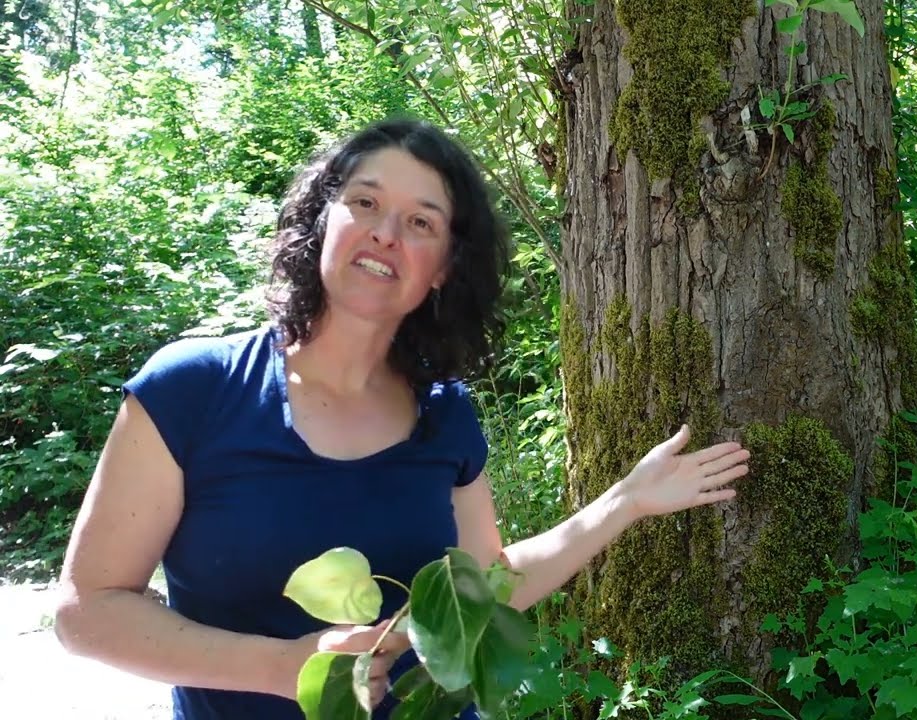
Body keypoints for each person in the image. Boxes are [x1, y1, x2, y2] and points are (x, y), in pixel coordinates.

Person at [53, 118, 751, 719]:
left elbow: (485, 585)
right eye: (365, 202)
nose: (386, 233)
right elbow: (89, 610)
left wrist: (624, 501)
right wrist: (281, 666)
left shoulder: (443, 414)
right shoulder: (194, 389)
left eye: (421, 221)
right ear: (324, 218)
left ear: (444, 266)